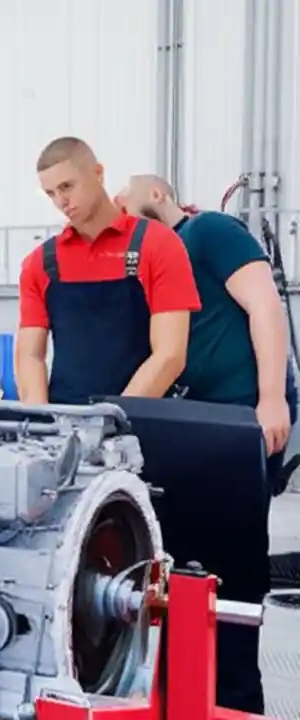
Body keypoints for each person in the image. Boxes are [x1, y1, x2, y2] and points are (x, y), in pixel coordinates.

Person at [117, 174, 295, 714]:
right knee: (175, 575)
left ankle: (238, 703)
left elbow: (265, 306)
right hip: (183, 428)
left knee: (234, 577)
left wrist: (271, 399)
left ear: (157, 192)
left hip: (235, 424)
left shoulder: (209, 231)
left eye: (127, 194)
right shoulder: (149, 260)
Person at [15, 137, 201, 405]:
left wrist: (111, 420)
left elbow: (170, 354)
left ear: (98, 173)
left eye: (67, 186)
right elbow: (30, 356)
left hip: (140, 423)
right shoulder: (40, 263)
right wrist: (41, 421)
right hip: (65, 423)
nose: (61, 201)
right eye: (51, 193)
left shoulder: (157, 245)